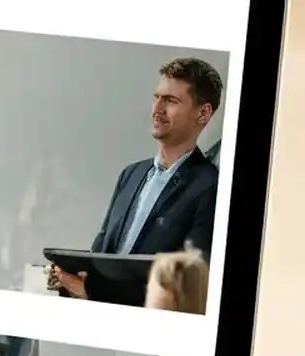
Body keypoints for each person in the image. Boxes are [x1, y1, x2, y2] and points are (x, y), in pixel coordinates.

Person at [56, 57, 223, 306]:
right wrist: (68, 277)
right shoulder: (131, 175)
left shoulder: (211, 187)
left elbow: (185, 287)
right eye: (157, 97)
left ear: (203, 113)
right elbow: (100, 254)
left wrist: (90, 290)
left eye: (171, 100)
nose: (157, 108)